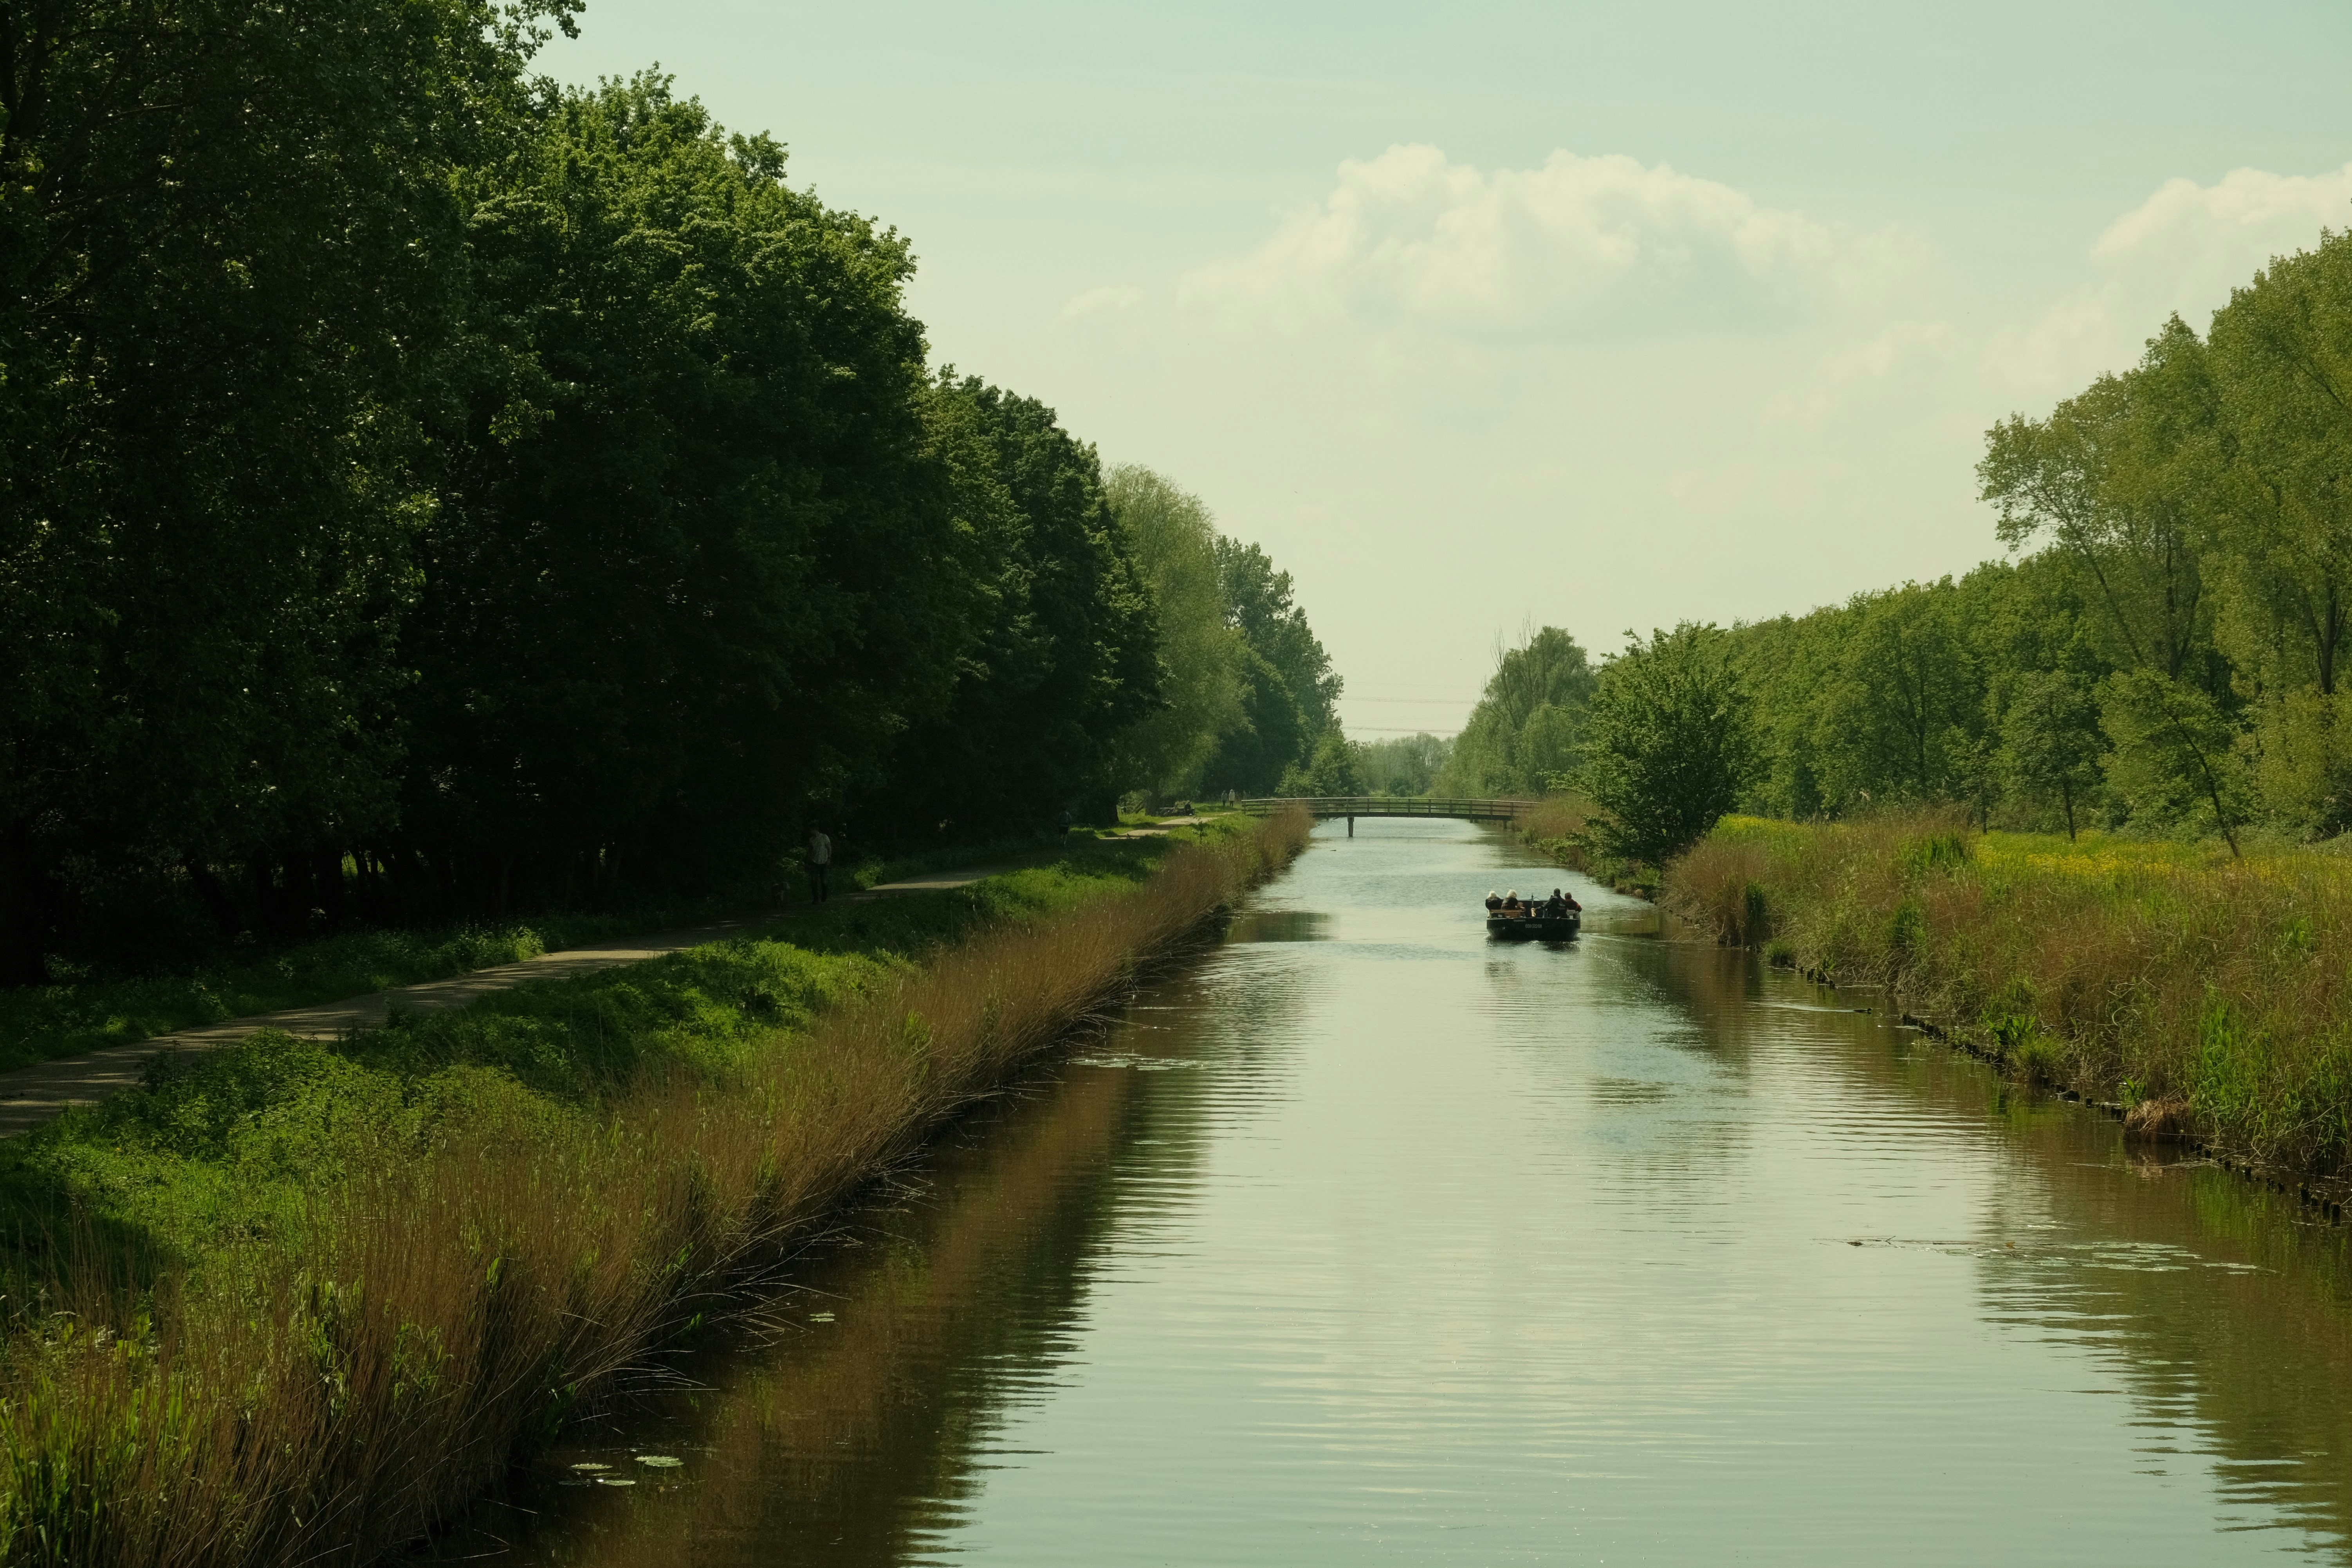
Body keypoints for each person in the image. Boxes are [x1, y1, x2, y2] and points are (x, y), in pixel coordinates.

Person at [806, 824, 832, 904]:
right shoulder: (811, 840)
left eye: (811, 830)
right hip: (815, 862)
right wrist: (809, 859)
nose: (810, 832)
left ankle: (824, 896)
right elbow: (811, 850)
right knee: (814, 881)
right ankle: (816, 899)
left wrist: (829, 858)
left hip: (824, 861)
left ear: (815, 830)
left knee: (824, 882)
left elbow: (829, 848)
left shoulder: (824, 837)